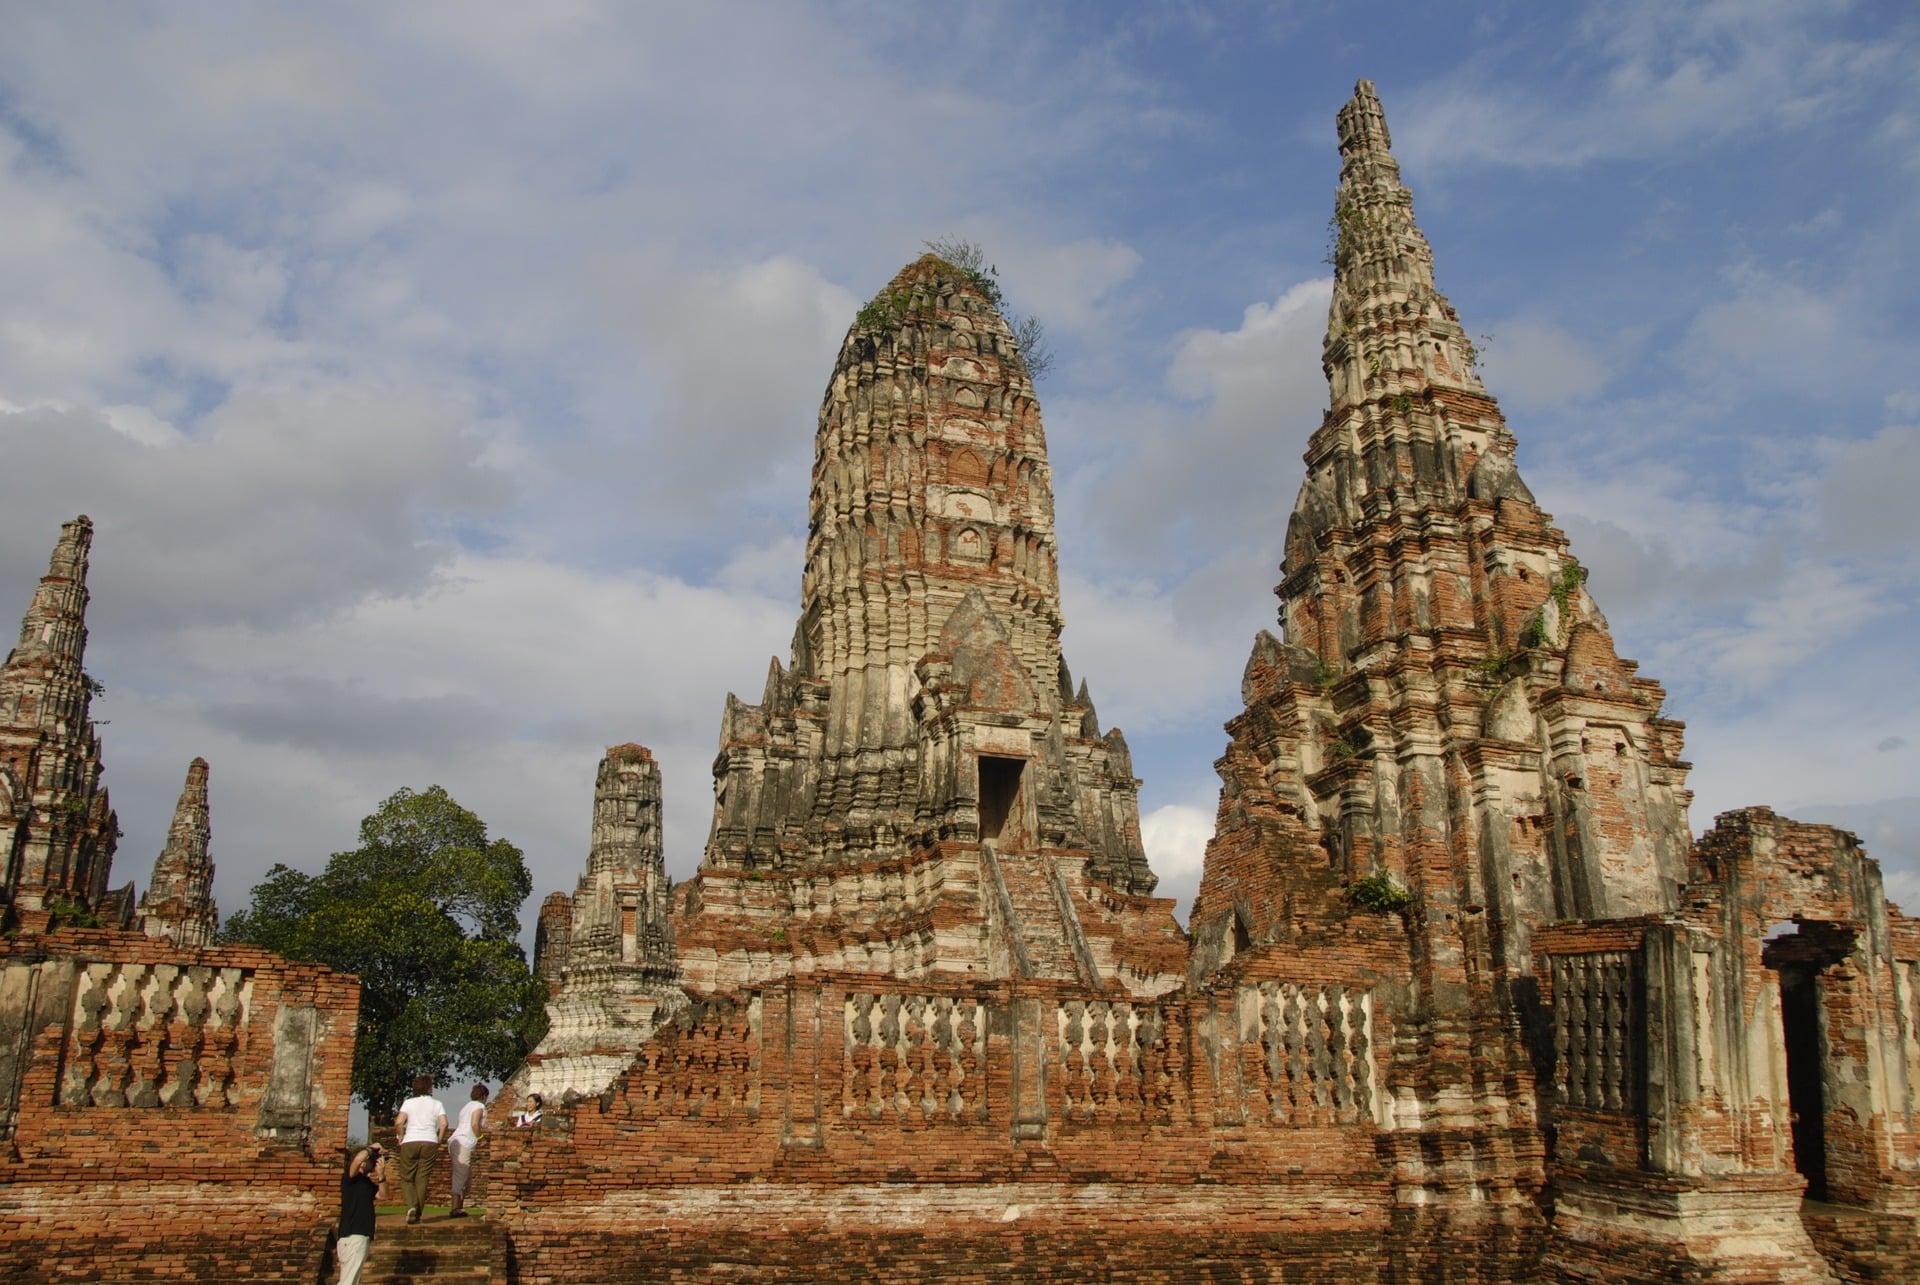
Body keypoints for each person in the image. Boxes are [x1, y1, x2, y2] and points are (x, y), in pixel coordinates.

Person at [392, 1074, 448, 1223]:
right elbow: (444, 1124)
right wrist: (439, 1139)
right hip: (429, 1141)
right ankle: (417, 1213)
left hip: (410, 1141)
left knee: (406, 1178)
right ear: (430, 1087)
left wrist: (401, 1137)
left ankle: (411, 1206)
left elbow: (398, 1123)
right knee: (422, 1178)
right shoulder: (437, 1103)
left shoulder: (409, 1103)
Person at [336, 1144, 386, 1285]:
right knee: (348, 1281)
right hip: (353, 1234)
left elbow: (382, 1195)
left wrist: (381, 1175)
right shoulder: (350, 1178)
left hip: (360, 1234)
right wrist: (371, 1149)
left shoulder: (366, 1183)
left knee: (351, 1279)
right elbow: (357, 1161)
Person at [447, 1083, 488, 1218]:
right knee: (461, 1174)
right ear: (483, 1096)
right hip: (463, 1142)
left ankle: (460, 1207)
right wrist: (481, 1137)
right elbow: (475, 1124)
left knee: (466, 1177)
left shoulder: (465, 1108)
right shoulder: (479, 1106)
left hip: (457, 1140)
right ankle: (454, 1208)